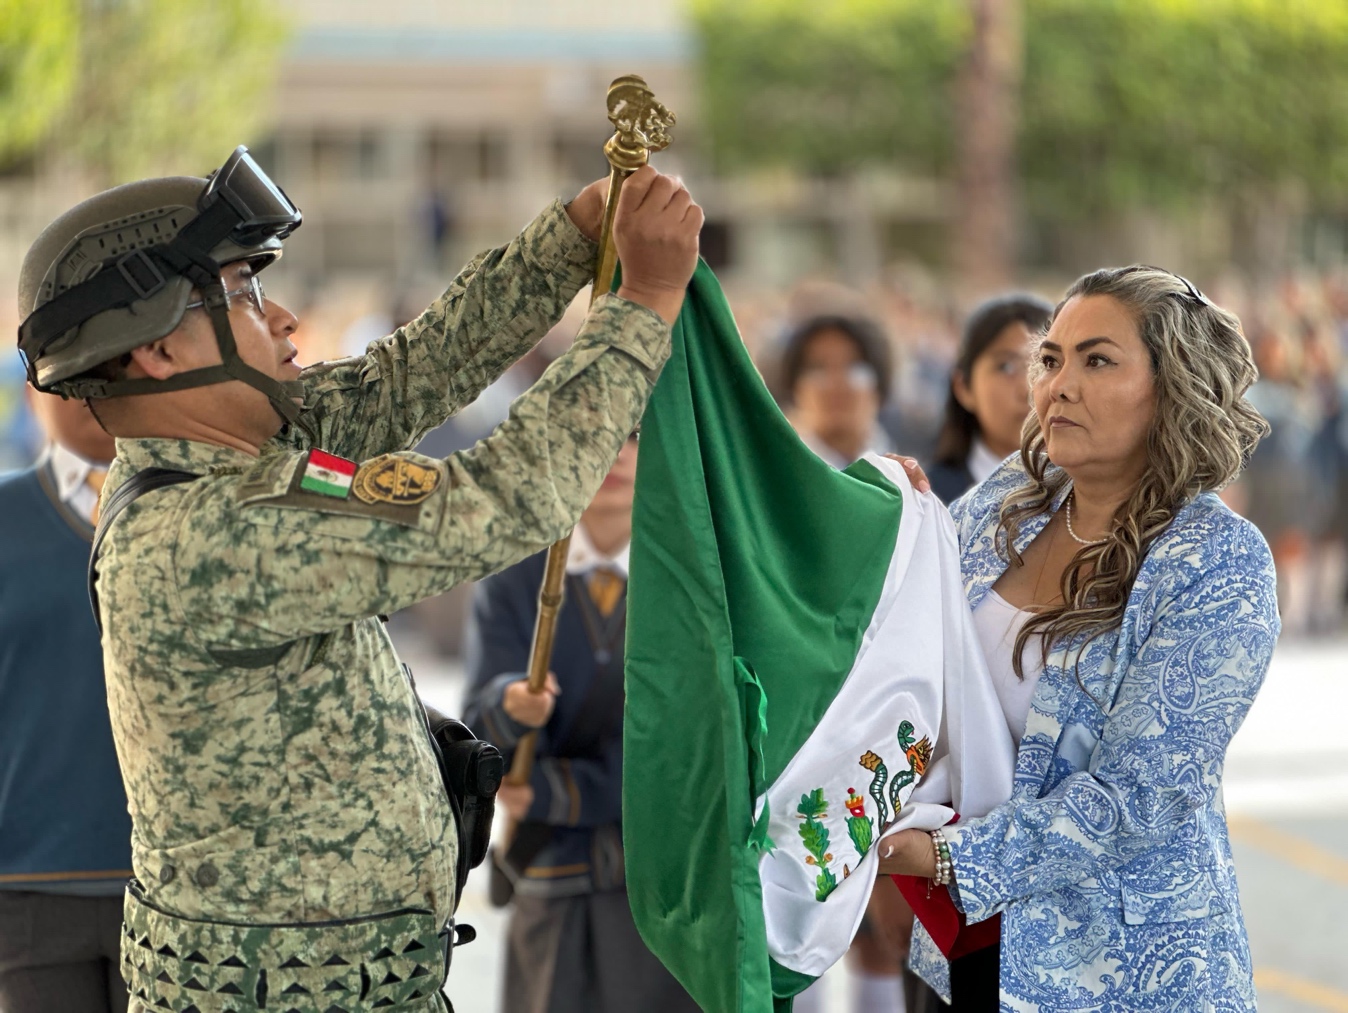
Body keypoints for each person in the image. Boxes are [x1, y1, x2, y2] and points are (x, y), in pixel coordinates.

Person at [16, 145, 701, 1013]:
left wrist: (572, 239)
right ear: (155, 351)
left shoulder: (225, 465)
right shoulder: (201, 533)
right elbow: (502, 500)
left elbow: (406, 375)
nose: (286, 318)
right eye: (241, 295)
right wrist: (643, 306)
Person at [879, 266, 1278, 1011]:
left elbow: (1140, 796)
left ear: (1174, 385)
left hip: (1125, 977)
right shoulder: (1007, 499)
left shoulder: (1219, 561)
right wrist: (887, 514)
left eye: (1097, 360)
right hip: (969, 953)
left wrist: (943, 856)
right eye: (1051, 358)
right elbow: (902, 656)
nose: (1057, 385)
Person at [462, 433, 698, 1013]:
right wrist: (511, 707)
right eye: (599, 430)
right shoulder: (516, 574)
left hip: (665, 886)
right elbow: (477, 733)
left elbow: (685, 747)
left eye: (637, 436)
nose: (613, 453)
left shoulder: (692, 577)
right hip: (551, 877)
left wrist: (545, 790)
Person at [0, 390, 130, 1012]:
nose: (91, 392)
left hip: (186, 894)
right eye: (66, 374)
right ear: (32, 391)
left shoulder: (201, 512)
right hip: (26, 895)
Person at [927, 295, 1052, 504]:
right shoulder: (929, 498)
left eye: (1046, 364)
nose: (1027, 389)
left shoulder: (1095, 494)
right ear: (963, 387)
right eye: (1006, 367)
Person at [781, 314, 894, 468]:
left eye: (855, 367)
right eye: (818, 368)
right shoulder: (774, 474)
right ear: (795, 389)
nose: (837, 382)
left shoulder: (903, 479)